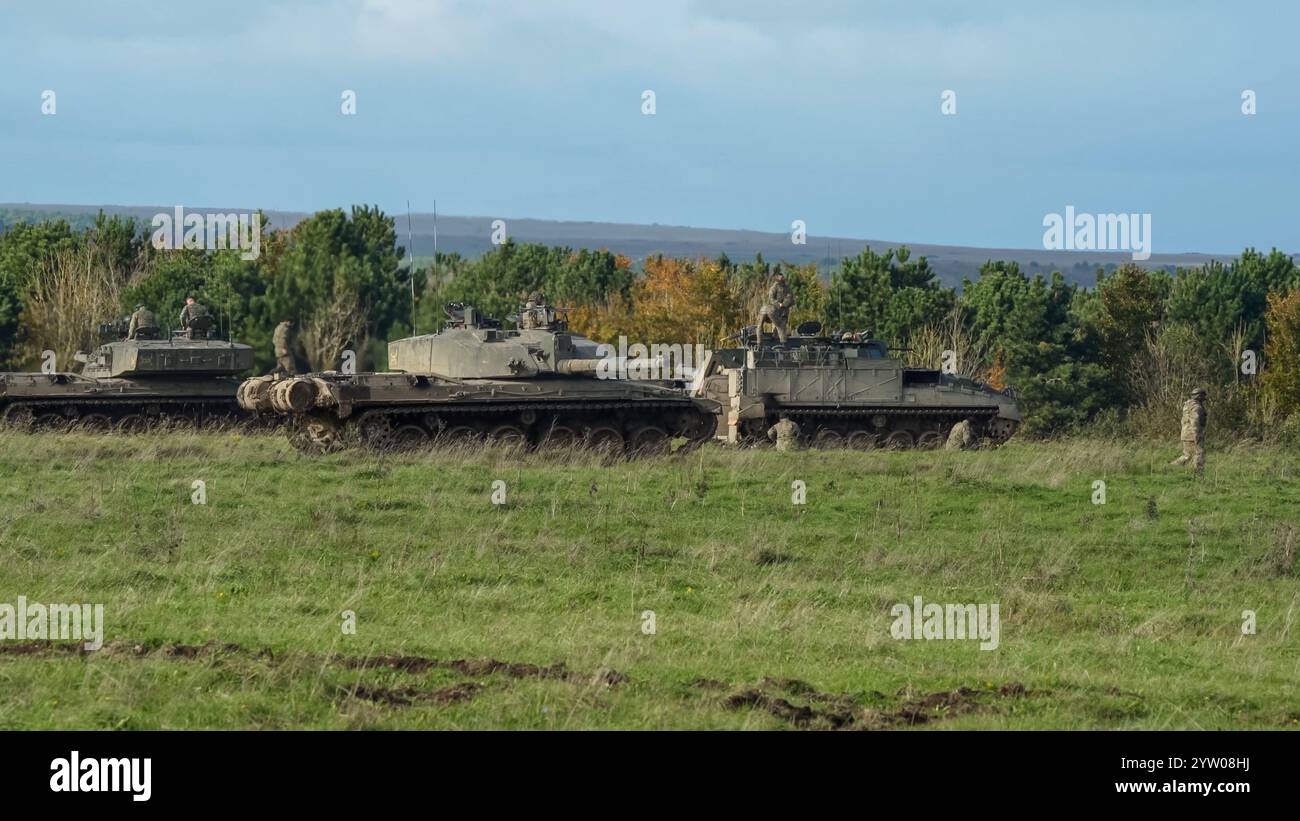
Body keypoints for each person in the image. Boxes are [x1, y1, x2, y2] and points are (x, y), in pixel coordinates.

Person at [1171, 387, 1207, 475]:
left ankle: (1172, 467)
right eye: (1203, 396)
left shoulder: (1187, 405)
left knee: (1187, 456)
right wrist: (1197, 434)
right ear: (1199, 397)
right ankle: (1198, 473)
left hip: (1185, 433)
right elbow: (1195, 421)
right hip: (1192, 434)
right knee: (1199, 454)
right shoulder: (1197, 407)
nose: (1204, 398)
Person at [755, 270, 795, 345]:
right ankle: (783, 343)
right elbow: (771, 298)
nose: (782, 277)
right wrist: (779, 304)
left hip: (778, 310)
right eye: (780, 276)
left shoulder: (786, 288)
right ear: (777, 278)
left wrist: (783, 304)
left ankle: (762, 341)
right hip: (774, 309)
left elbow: (790, 298)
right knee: (780, 325)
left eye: (782, 276)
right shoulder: (774, 287)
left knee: (762, 325)